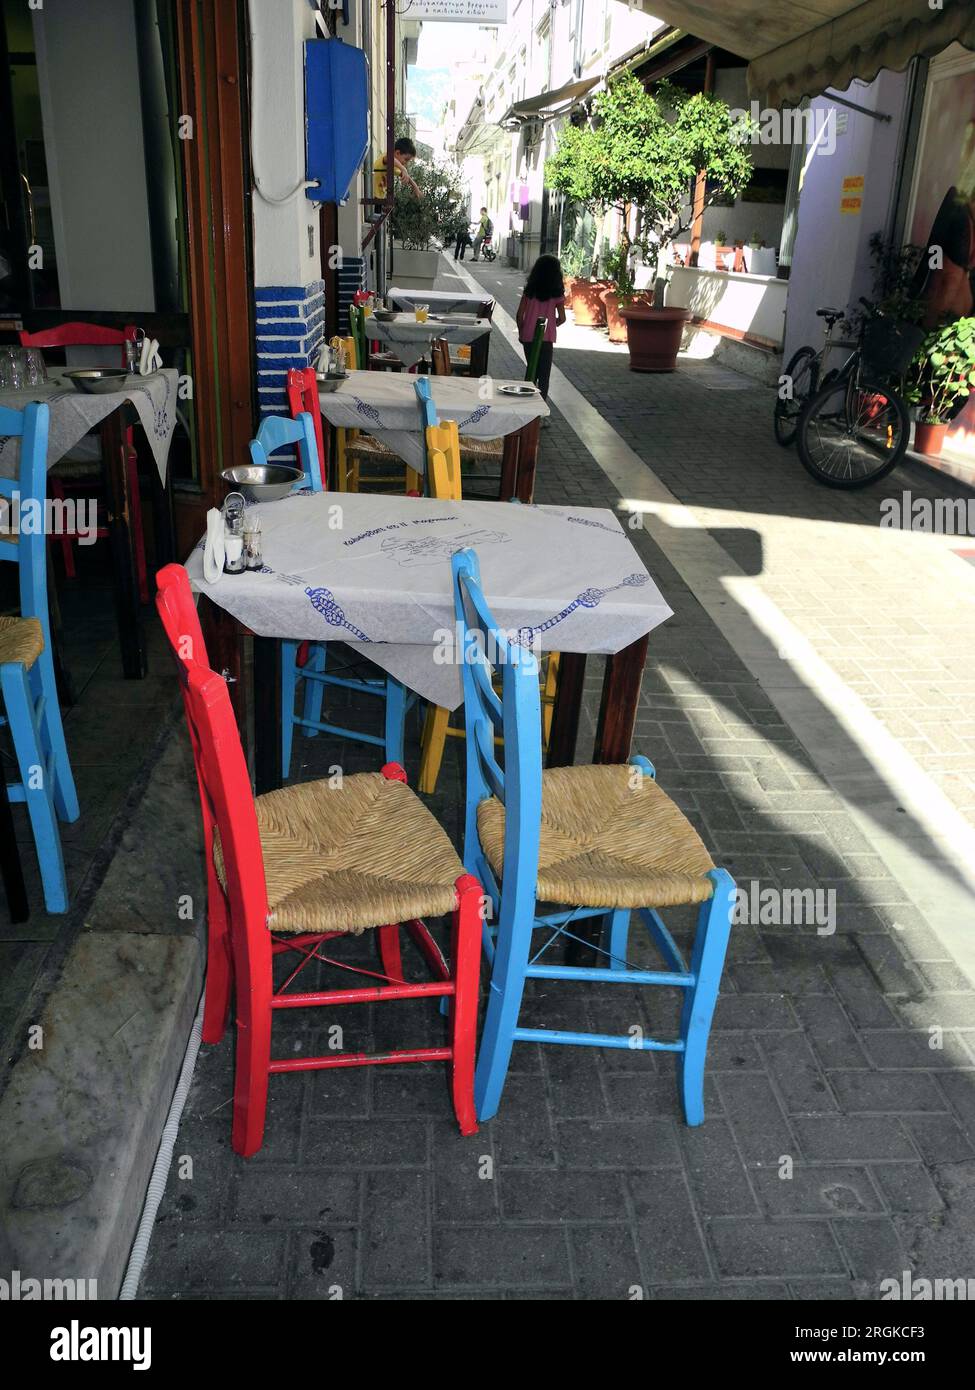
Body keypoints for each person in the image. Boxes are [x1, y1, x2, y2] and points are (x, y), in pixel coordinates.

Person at [516, 253, 566, 404]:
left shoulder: (529, 291)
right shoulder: (556, 293)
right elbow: (562, 318)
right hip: (546, 338)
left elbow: (519, 315)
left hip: (528, 337)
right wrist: (552, 325)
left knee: (532, 371)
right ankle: (540, 410)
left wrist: (521, 332)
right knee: (544, 376)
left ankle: (527, 404)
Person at [373, 137, 421, 203]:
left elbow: (406, 177)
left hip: (379, 198)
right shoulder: (386, 157)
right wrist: (403, 169)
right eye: (406, 159)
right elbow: (390, 158)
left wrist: (415, 187)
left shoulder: (395, 168)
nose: (406, 163)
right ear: (398, 153)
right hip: (372, 195)